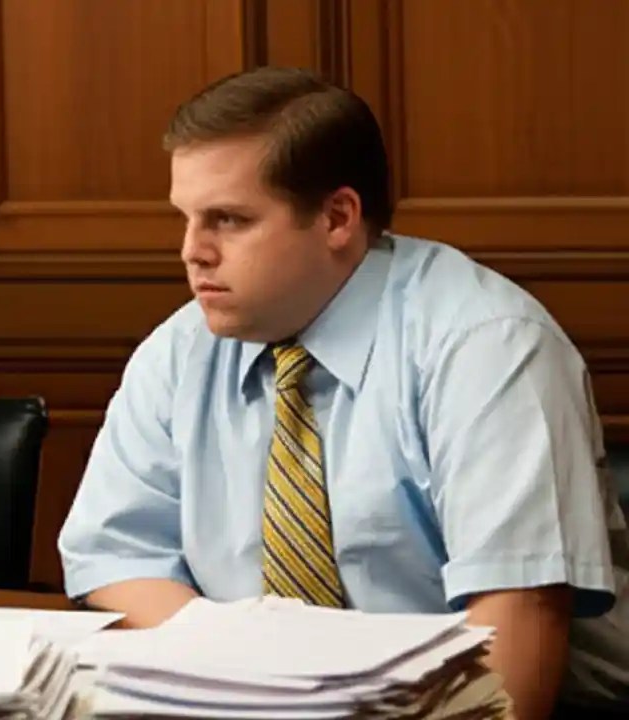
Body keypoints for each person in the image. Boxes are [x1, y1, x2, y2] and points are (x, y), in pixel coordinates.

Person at [58, 66, 628, 718]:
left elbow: (518, 624)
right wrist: (243, 672)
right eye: (185, 219)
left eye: (228, 220)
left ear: (337, 218)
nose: (192, 252)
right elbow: (118, 556)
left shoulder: (488, 345)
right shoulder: (181, 351)